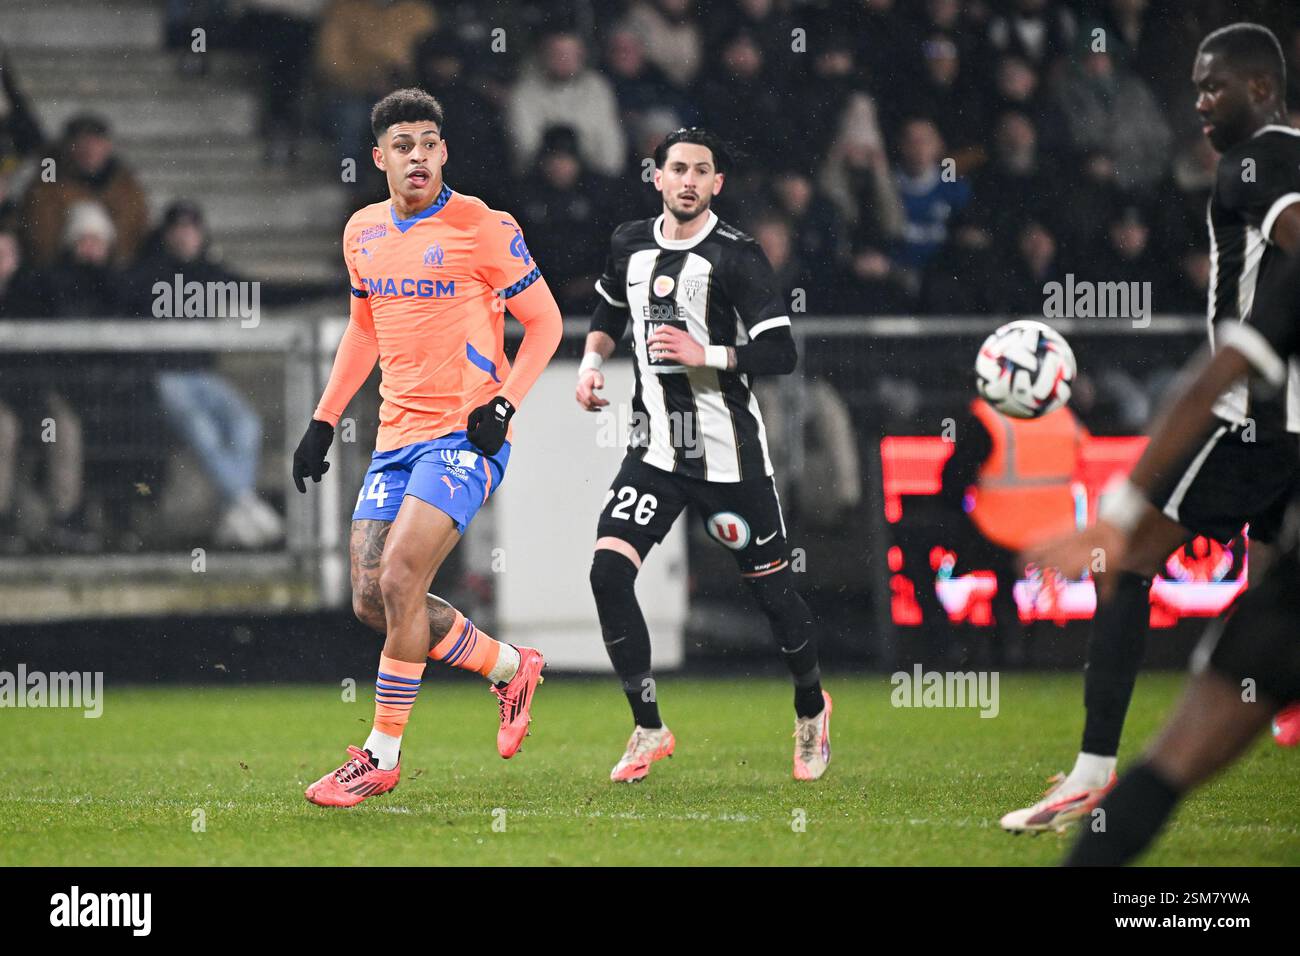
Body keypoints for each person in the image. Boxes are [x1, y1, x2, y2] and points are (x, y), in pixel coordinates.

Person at [1000, 21, 1300, 835]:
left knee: (1123, 560)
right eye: (1195, 86)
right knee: (1272, 587)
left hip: (1257, 423)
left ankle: (1092, 773)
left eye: (1214, 86)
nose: (1199, 101)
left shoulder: (1256, 161)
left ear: (1262, 89)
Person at [290, 88, 563, 807]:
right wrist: (323, 420)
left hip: (465, 437)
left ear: (444, 152)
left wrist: (504, 405)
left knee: (402, 576)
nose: (418, 156)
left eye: (429, 144)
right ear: (378, 157)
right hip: (396, 438)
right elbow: (365, 329)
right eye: (402, 146)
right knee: (371, 598)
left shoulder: (483, 225)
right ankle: (509, 667)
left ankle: (380, 756)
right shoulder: (362, 232)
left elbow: (546, 324)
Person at [575, 128, 831, 784]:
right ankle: (649, 727)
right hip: (656, 451)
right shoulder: (628, 242)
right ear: (656, 176)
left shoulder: (737, 255)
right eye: (678, 168)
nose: (688, 180)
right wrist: (590, 364)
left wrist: (706, 353)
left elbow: (781, 352)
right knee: (608, 573)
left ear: (717, 183)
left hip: (728, 457)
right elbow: (608, 309)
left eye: (701, 171)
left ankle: (811, 706)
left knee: (774, 595)